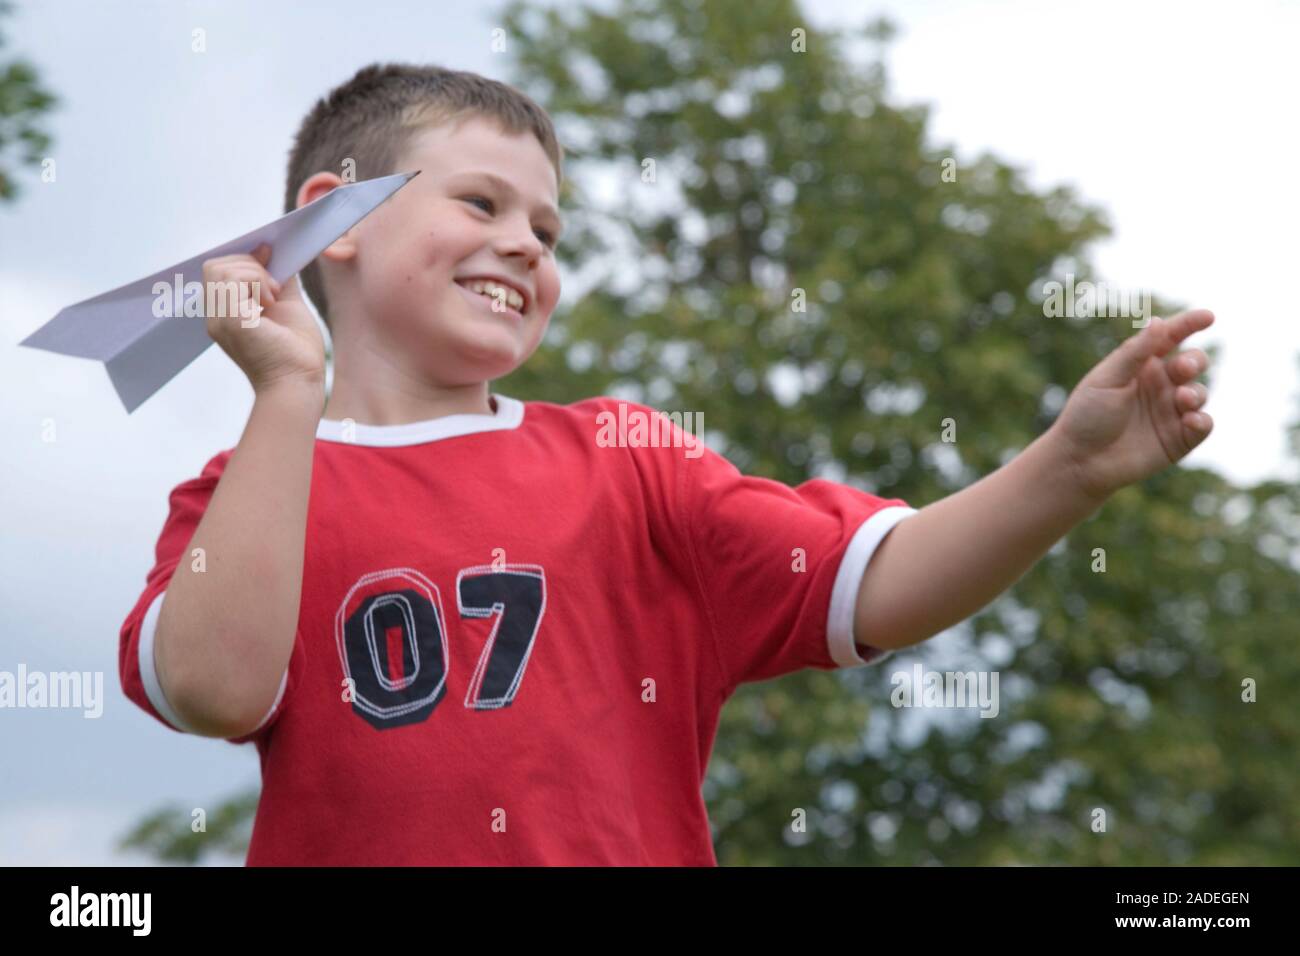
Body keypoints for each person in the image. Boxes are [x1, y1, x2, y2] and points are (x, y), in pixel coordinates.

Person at [118, 63, 1215, 865]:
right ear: (335, 223)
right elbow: (215, 688)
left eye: (547, 228)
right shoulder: (248, 487)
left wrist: (1068, 470)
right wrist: (284, 392)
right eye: (481, 203)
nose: (528, 245)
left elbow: (873, 580)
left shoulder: (624, 458)